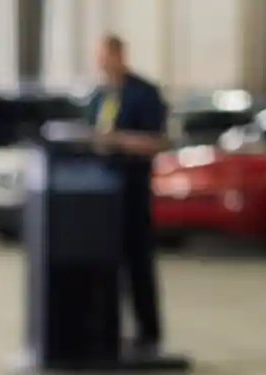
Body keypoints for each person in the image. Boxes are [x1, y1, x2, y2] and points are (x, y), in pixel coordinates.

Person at [86, 33, 171, 355]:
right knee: (105, 265)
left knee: (138, 264)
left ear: (120, 55)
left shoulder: (144, 93)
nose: (101, 63)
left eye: (105, 56)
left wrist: (118, 141)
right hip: (98, 194)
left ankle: (148, 332)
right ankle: (108, 330)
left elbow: (157, 142)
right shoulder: (98, 96)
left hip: (132, 190)